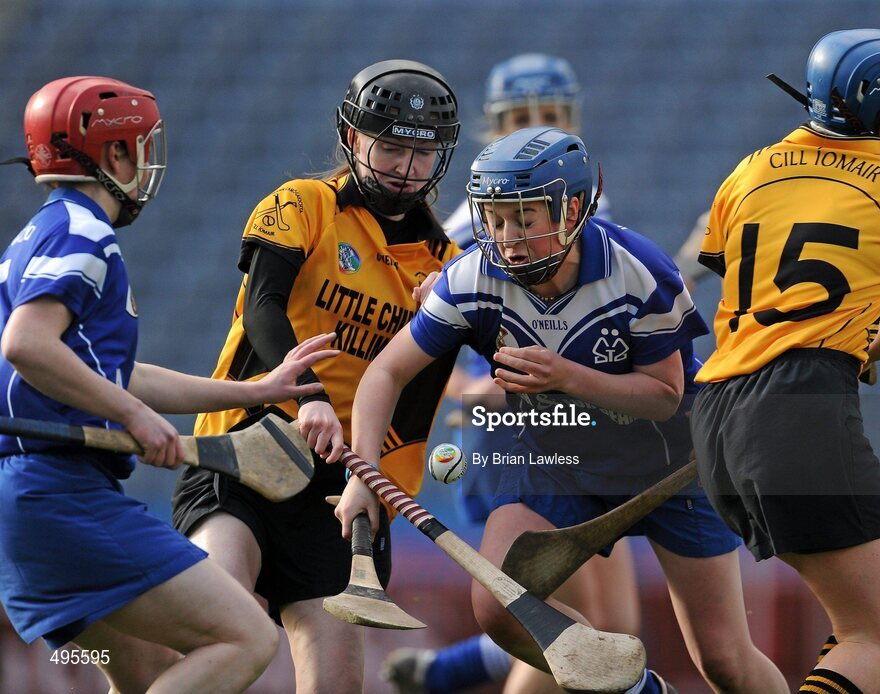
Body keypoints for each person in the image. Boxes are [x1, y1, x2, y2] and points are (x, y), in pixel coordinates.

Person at [339, 126, 788, 694]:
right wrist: (362, 474)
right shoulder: (471, 279)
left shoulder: (638, 271)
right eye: (496, 220)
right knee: (501, 607)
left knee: (725, 660)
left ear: (572, 206)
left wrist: (564, 376)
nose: (508, 239)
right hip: (557, 460)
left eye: (524, 219)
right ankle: (637, 690)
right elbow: (386, 372)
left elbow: (665, 395)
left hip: (670, 468)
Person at [0, 76, 338, 694]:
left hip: (30, 504)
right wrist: (132, 415)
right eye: (140, 147)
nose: (148, 165)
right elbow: (25, 345)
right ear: (113, 154)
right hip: (61, 495)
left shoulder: (42, 233)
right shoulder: (83, 233)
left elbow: (118, 375)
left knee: (149, 675)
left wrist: (259, 390)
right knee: (247, 636)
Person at [169, 60, 461, 694]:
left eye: (422, 153)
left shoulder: (449, 267)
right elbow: (263, 305)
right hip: (248, 449)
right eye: (389, 147)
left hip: (343, 486)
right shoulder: (305, 204)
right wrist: (308, 399)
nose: (406, 168)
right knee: (224, 621)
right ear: (351, 137)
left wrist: (453, 309)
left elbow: (422, 399)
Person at [690, 29, 880, 694]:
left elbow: (743, 289)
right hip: (800, 404)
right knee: (879, 636)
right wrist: (860, 351)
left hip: (715, 411)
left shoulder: (745, 171)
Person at [382, 52, 639, 694]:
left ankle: (447, 673)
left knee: (610, 628)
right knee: (576, 635)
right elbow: (416, 347)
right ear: (491, 129)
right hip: (520, 434)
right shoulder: (464, 232)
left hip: (585, 432)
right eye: (521, 118)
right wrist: (472, 390)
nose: (538, 129)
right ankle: (449, 673)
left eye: (551, 116)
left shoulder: (588, 211)